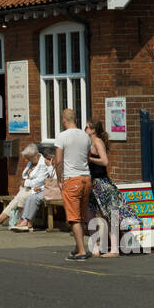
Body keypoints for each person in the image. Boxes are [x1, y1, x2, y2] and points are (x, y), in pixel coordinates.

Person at [85, 122, 137, 257]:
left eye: (87, 127)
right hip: (93, 183)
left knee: (110, 214)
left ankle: (114, 249)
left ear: (93, 130)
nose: (84, 129)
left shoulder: (97, 142)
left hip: (101, 183)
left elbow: (105, 161)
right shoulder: (90, 142)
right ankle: (95, 247)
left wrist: (89, 158)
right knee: (90, 212)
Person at [54, 109, 94, 260]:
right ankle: (78, 247)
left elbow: (58, 160)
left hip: (72, 179)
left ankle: (82, 251)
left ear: (64, 120)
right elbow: (88, 157)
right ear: (75, 119)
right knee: (81, 216)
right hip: (86, 179)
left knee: (73, 217)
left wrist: (59, 179)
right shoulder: (85, 136)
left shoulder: (62, 136)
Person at [0, 144, 51, 231]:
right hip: (26, 188)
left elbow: (39, 181)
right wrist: (25, 182)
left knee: (20, 198)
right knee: (15, 201)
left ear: (35, 155)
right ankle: (5, 223)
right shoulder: (31, 162)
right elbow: (26, 175)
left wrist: (25, 182)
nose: (27, 160)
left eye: (28, 158)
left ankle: (19, 222)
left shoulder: (43, 163)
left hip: (37, 189)